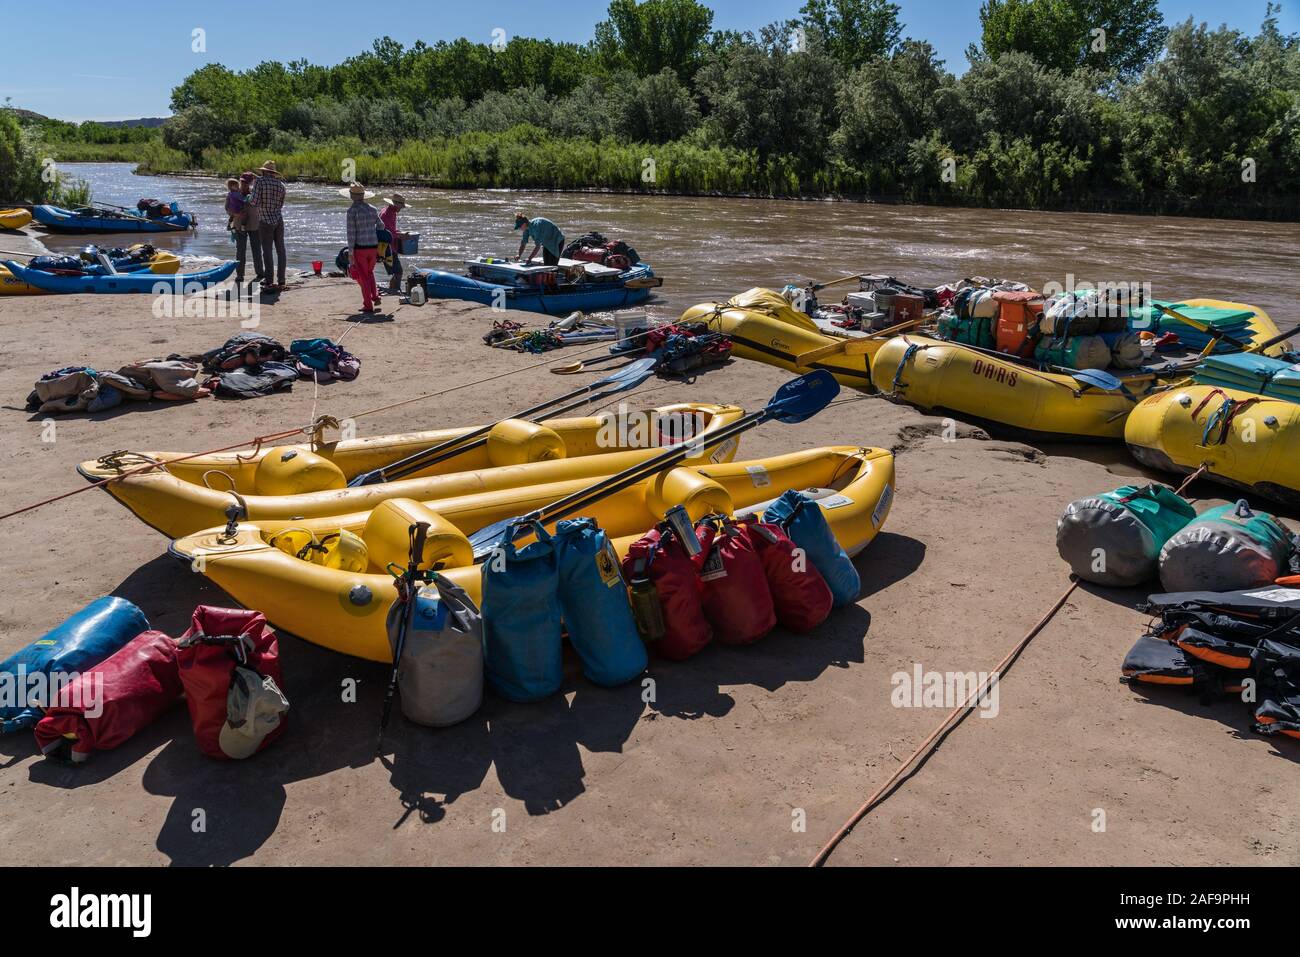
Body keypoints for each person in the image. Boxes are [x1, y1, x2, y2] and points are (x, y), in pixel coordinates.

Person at [249, 160, 286, 291]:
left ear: (264, 171)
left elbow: (254, 201)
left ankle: (269, 280)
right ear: (274, 173)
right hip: (278, 219)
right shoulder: (281, 185)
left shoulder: (259, 182)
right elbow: (281, 205)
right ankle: (281, 280)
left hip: (264, 220)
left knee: (267, 251)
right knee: (281, 250)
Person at [345, 182, 382, 314]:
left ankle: (368, 305)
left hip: (360, 248)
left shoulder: (351, 211)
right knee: (369, 273)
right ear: (363, 195)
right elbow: (381, 226)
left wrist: (350, 253)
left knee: (363, 276)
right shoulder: (372, 208)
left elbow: (351, 234)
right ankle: (375, 296)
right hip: (373, 247)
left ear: (351, 196)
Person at [230, 172, 263, 288]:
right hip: (239, 225)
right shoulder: (233, 193)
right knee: (240, 251)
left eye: (245, 182)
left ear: (250, 183)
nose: (243, 184)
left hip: (254, 225)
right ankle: (240, 275)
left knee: (256, 250)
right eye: (242, 181)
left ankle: (260, 273)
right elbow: (227, 207)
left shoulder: (256, 194)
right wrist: (236, 213)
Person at [378, 193, 407, 294]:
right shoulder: (388, 214)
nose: (401, 209)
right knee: (398, 271)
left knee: (396, 271)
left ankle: (392, 289)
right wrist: (401, 235)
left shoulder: (387, 210)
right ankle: (395, 291)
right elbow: (388, 232)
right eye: (400, 206)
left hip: (386, 245)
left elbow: (390, 229)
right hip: (387, 247)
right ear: (395, 204)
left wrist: (398, 233)